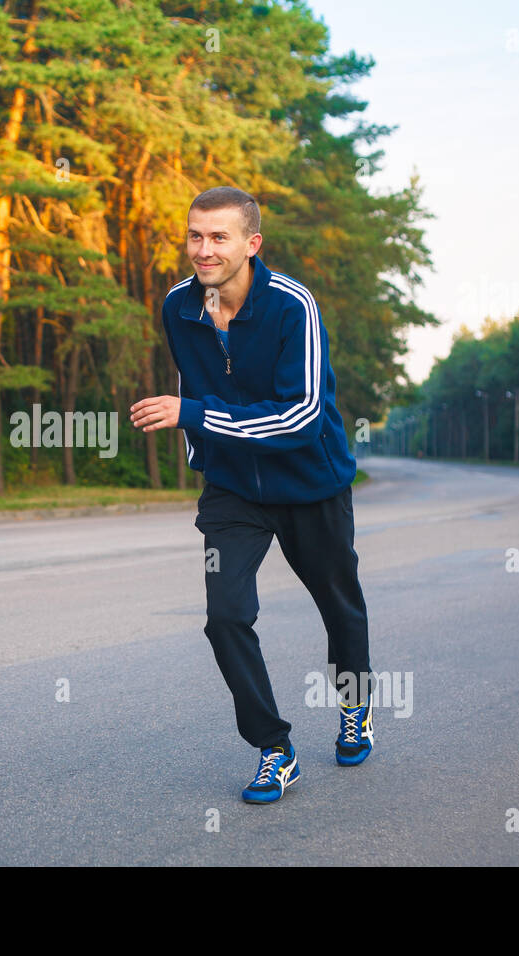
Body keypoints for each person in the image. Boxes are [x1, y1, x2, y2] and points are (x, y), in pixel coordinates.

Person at [129, 186, 375, 805]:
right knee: (225, 617)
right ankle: (274, 747)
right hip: (234, 488)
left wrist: (194, 417)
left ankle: (355, 706)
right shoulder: (178, 308)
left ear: (251, 243)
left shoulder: (294, 306)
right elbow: (197, 383)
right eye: (194, 236)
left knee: (338, 604)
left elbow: (302, 415)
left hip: (309, 481)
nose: (203, 249)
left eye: (219, 237)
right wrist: (203, 452)